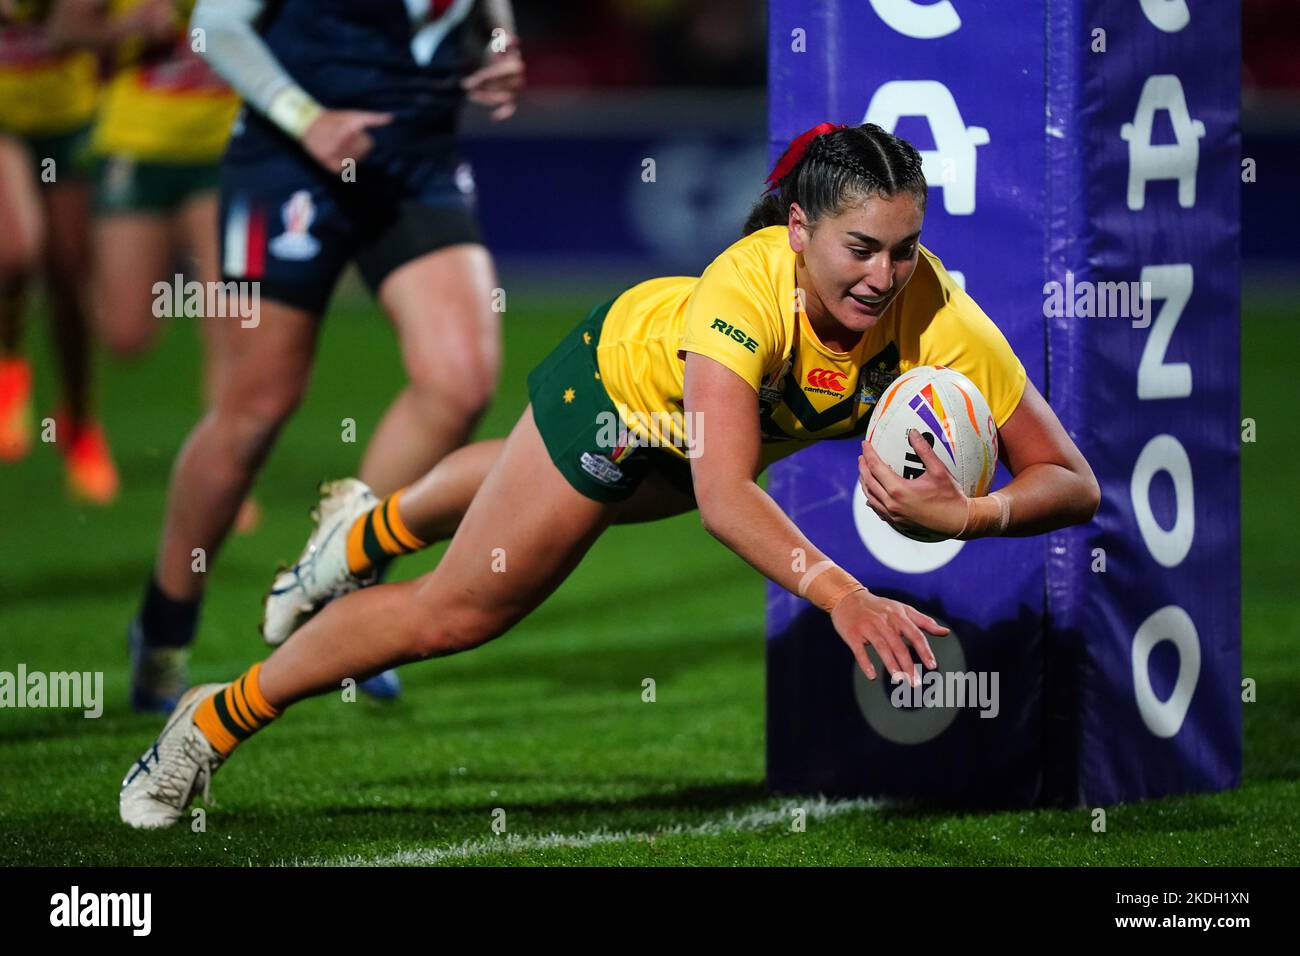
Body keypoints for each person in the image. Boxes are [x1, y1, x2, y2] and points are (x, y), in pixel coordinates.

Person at [119, 123, 1101, 829]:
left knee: (512, 486)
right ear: (798, 230)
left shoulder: (939, 318)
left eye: (903, 248)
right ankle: (208, 717)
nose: (884, 277)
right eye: (859, 248)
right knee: (461, 610)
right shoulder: (742, 295)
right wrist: (840, 591)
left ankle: (361, 533)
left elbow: (1068, 479)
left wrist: (970, 510)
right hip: (620, 390)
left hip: (713, 437)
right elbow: (723, 500)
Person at [123, 0, 524, 712]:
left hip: (415, 155)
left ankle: (343, 597)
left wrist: (499, 42)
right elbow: (213, 25)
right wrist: (307, 117)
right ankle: (163, 627)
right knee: (255, 409)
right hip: (290, 158)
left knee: (459, 382)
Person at [0, 0, 116, 501]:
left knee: (69, 272)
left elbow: (90, 24)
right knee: (15, 252)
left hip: (69, 113)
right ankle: (9, 372)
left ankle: (79, 418)